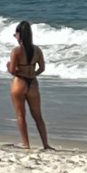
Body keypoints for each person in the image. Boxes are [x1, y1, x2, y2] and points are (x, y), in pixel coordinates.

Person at [7, 20, 54, 150]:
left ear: (19, 35)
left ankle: (25, 143)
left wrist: (8, 66)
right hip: (32, 83)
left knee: (20, 115)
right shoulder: (37, 50)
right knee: (38, 116)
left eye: (15, 34)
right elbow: (42, 68)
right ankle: (45, 144)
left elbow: (12, 70)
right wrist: (33, 74)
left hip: (19, 82)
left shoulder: (16, 51)